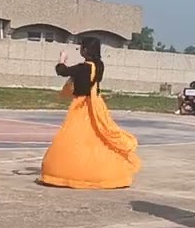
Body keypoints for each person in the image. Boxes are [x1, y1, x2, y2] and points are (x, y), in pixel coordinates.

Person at [39, 37, 141, 188]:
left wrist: (62, 59)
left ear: (85, 50)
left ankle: (77, 171)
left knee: (76, 137)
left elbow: (62, 71)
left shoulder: (83, 68)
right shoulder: (99, 66)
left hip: (82, 106)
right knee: (98, 136)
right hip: (96, 104)